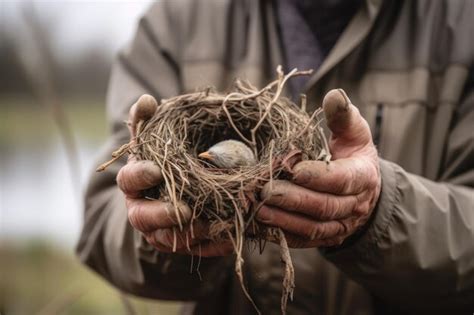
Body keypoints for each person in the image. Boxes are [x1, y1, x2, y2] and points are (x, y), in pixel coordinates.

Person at [76, 0, 474, 314]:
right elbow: (101, 222)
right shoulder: (179, 20)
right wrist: (161, 224)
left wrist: (379, 214)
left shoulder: (462, 23)